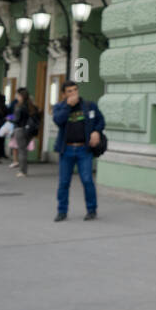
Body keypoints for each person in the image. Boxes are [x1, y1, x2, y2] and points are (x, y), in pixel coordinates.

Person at [52, 80, 105, 221]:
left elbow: (101, 120)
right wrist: (68, 106)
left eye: (75, 90)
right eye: (69, 91)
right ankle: (62, 211)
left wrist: (96, 132)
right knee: (64, 182)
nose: (73, 93)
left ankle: (92, 210)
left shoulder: (88, 106)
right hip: (67, 149)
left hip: (83, 149)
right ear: (64, 94)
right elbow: (58, 120)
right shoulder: (59, 107)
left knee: (87, 180)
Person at [8, 87, 38, 177]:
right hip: (30, 130)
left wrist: (9, 119)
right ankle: (23, 170)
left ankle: (22, 171)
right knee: (24, 150)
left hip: (20, 130)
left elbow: (17, 120)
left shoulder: (19, 107)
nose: (16, 97)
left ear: (21, 96)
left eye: (17, 95)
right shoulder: (32, 106)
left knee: (22, 150)